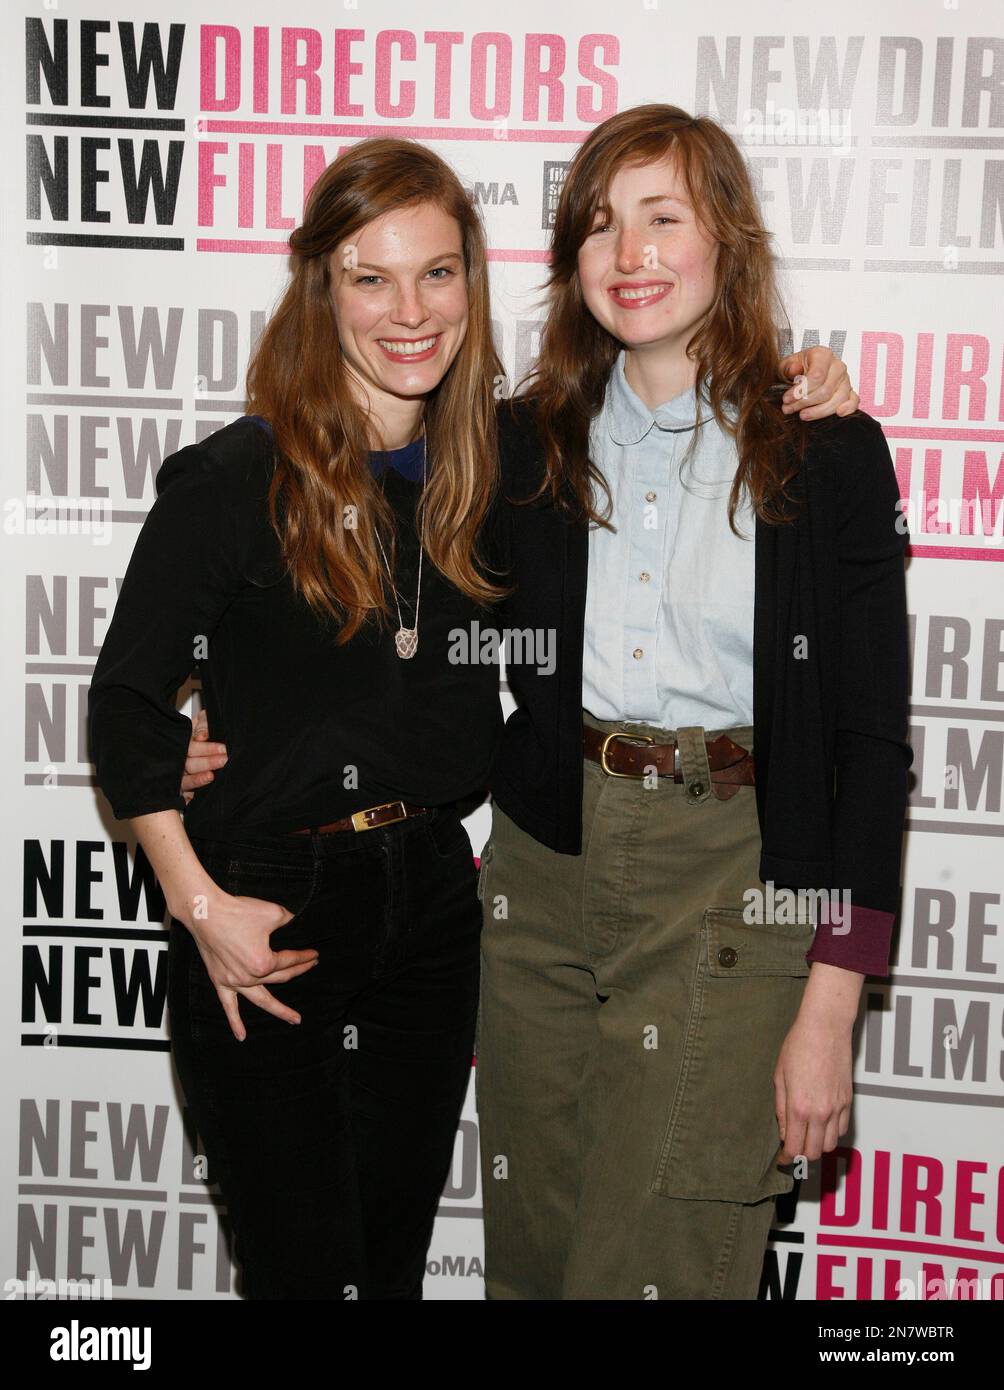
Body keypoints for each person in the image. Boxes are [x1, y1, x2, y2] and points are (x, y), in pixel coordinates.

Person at [474, 104, 911, 1299]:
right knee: (528, 1264)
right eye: (600, 225)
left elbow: (869, 743)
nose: (630, 254)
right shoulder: (525, 444)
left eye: (662, 217)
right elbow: (410, 624)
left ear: (725, 237)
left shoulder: (827, 450)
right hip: (544, 869)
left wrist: (832, 998)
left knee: (655, 1266)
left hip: (738, 873)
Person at [88, 137, 512, 1300]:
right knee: (305, 1279)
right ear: (321, 288)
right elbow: (124, 704)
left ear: (471, 281)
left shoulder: (489, 468)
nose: (409, 310)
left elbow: (652, 391)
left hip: (428, 899)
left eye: (435, 272)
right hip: (270, 903)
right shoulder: (234, 480)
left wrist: (807, 384)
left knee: (389, 1272)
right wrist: (200, 905)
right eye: (371, 277)